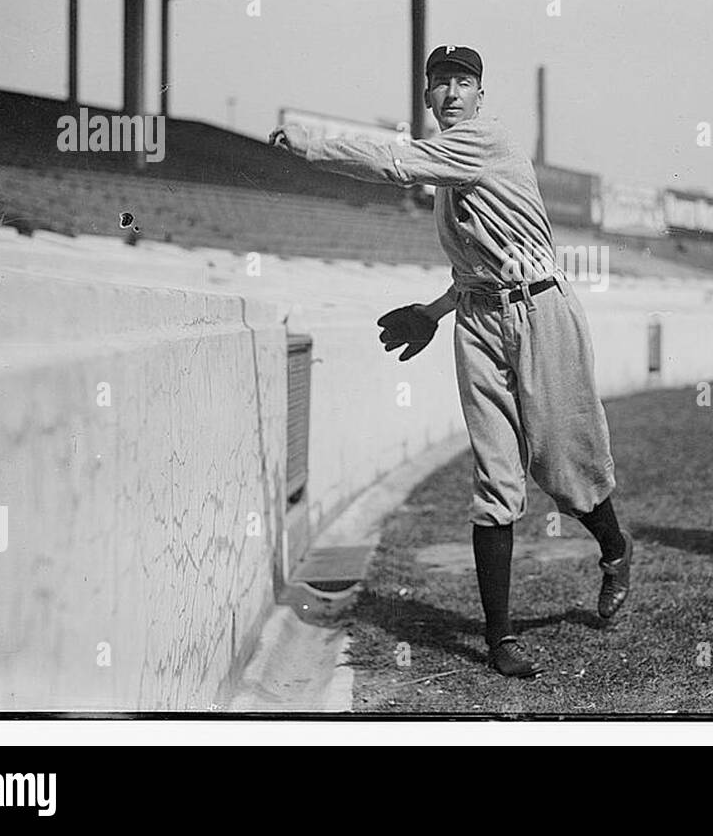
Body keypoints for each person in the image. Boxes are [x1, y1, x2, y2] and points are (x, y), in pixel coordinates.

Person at [268, 45, 632, 677]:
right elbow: (474, 267)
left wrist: (309, 146)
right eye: (441, 85)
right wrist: (434, 312)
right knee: (496, 481)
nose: (453, 94)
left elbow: (391, 161)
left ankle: (616, 547)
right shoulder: (450, 169)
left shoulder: (483, 141)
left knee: (566, 468)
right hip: (478, 318)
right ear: (430, 98)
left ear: (482, 95)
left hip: (542, 312)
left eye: (465, 82)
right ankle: (500, 639)